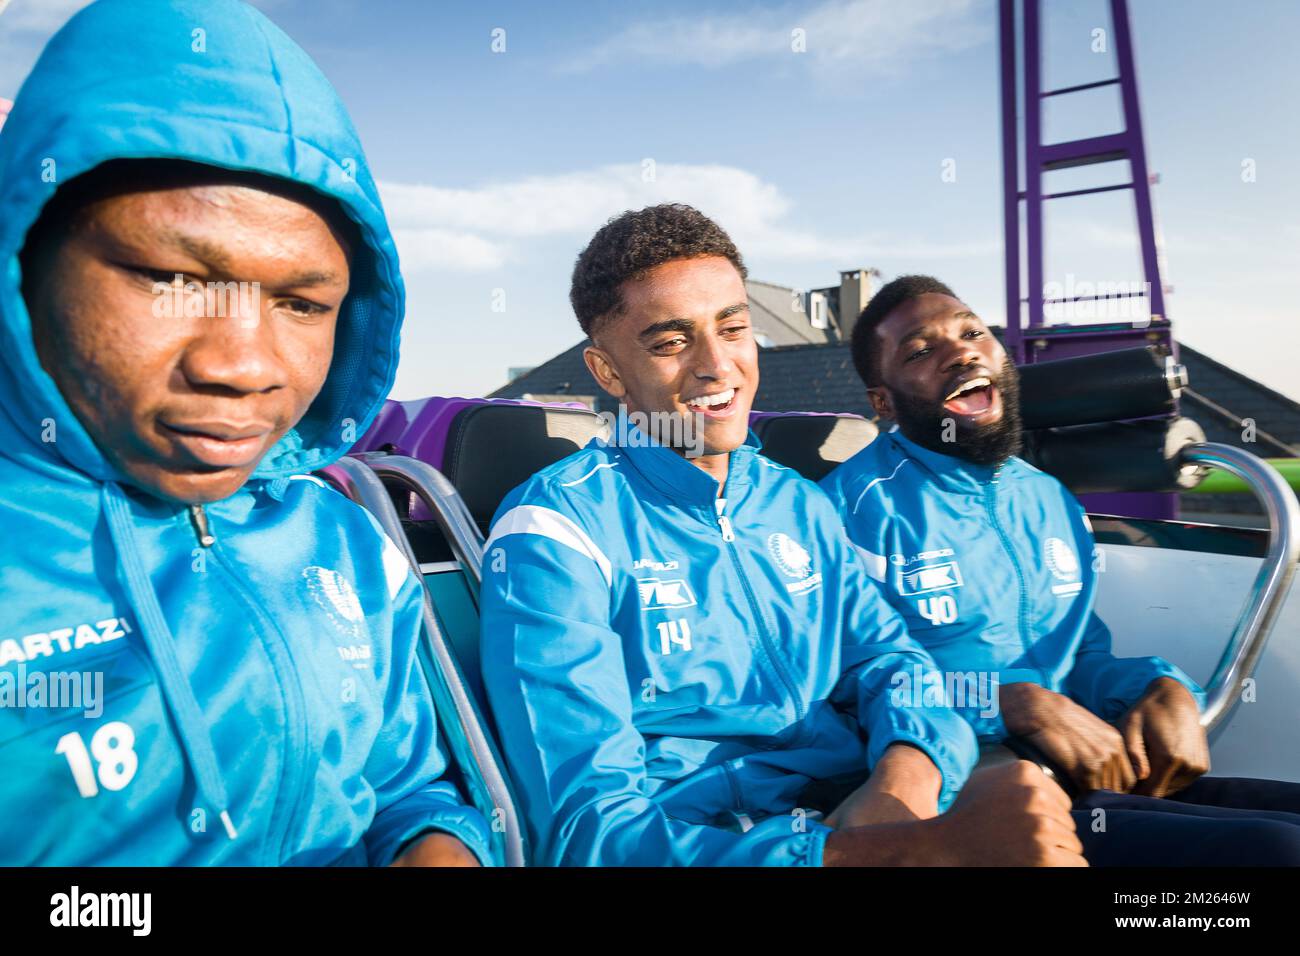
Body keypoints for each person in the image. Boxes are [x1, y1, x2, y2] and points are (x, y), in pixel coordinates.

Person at [0, 0, 489, 866]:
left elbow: (408, 789)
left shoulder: (344, 540)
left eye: (302, 304)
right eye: (170, 279)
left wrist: (439, 843)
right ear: (23, 261)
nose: (245, 365)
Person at [478, 205, 1085, 866]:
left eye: (733, 328)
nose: (718, 365)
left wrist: (904, 780)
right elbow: (586, 833)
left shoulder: (796, 502)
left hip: (875, 809)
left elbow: (893, 663)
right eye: (671, 342)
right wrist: (881, 854)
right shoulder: (556, 531)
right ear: (608, 372)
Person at [820, 273, 1300, 865]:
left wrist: (1155, 685)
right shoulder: (845, 510)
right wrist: (1010, 701)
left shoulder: (1046, 497)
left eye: (972, 332)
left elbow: (1081, 655)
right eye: (921, 350)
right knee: (1275, 852)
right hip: (960, 792)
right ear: (882, 401)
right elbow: (838, 687)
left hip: (1077, 769)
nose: (961, 351)